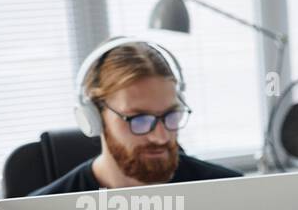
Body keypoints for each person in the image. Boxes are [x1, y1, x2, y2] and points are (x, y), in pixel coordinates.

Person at [32, 39, 240, 195]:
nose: (160, 136)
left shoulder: (231, 192)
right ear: (94, 118)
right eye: (139, 119)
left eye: (171, 115)